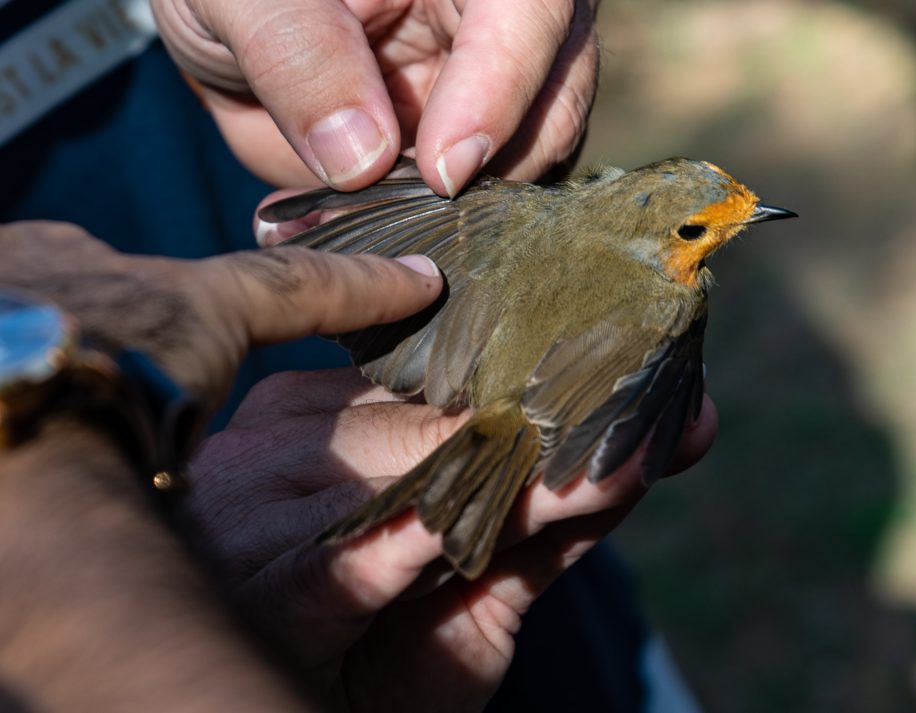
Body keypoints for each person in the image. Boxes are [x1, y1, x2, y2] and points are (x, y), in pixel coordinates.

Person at [0, 1, 717, 709]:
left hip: (555, 626)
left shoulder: (526, 217)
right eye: (696, 229)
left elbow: (443, 211)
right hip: (282, 505)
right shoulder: (668, 297)